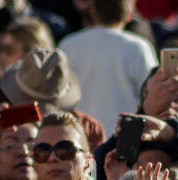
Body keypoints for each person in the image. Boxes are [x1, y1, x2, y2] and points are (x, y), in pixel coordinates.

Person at [59, 0, 158, 133]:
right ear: (129, 15)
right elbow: (154, 94)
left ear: (92, 12)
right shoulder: (138, 47)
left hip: (78, 135)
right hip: (122, 137)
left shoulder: (68, 44)